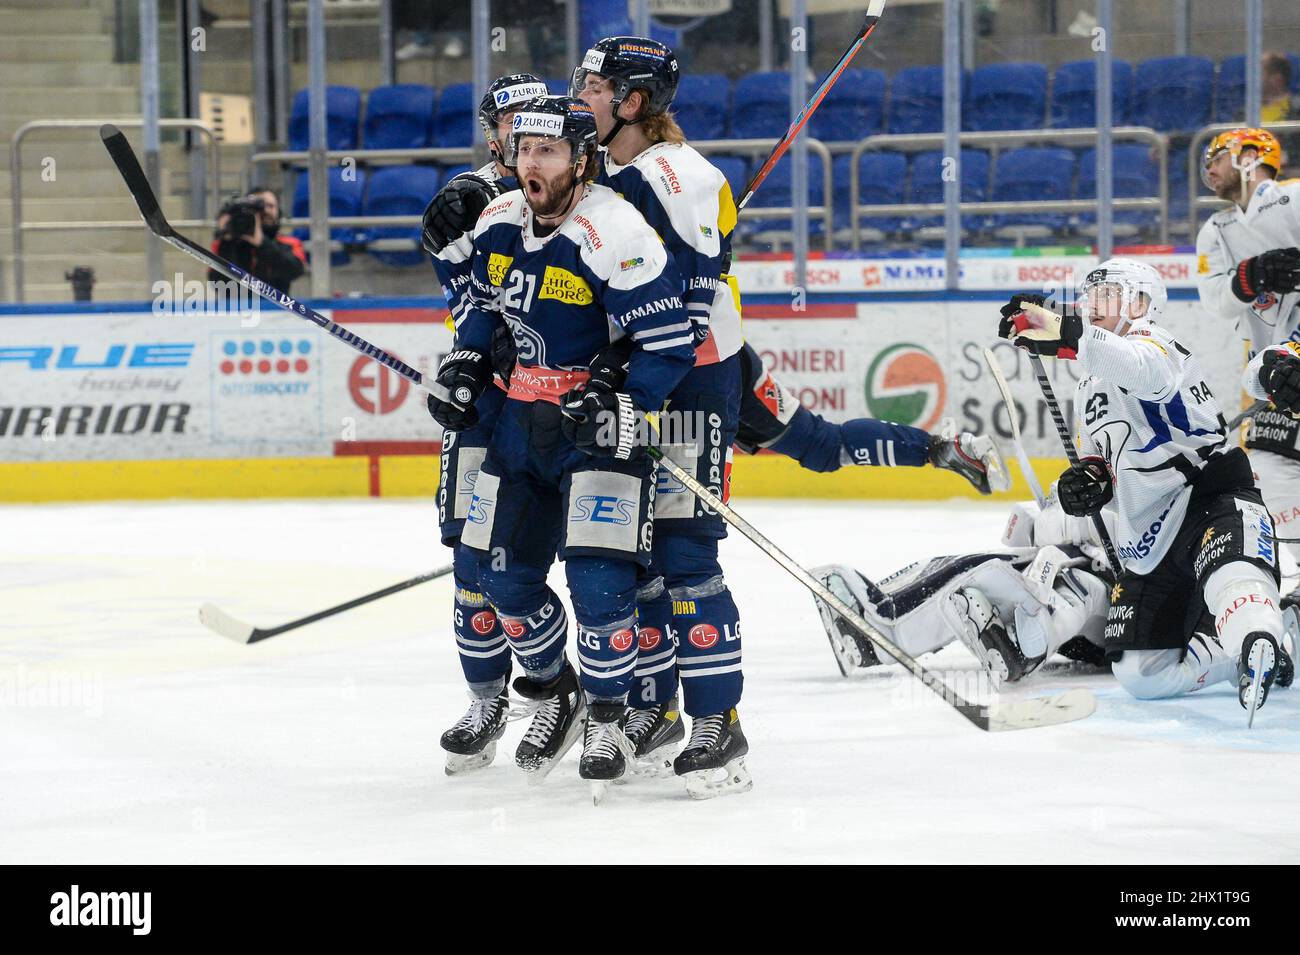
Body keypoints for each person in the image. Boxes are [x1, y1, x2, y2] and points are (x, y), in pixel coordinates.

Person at [573, 36, 1009, 794]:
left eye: (591, 86)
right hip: (686, 370)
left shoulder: (677, 174)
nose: (577, 95)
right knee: (777, 462)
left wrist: (640, 367)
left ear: (632, 101)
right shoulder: (627, 171)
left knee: (684, 552)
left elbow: (690, 300)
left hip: (697, 379)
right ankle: (655, 705)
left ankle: (718, 722)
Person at [427, 95, 696, 795]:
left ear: (582, 160)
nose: (529, 164)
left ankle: (608, 718)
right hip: (521, 429)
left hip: (596, 435)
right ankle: (557, 692)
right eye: (522, 150)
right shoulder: (499, 222)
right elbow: (485, 312)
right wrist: (465, 363)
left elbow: (669, 344)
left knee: (600, 585)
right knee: (503, 581)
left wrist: (626, 405)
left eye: (545, 152)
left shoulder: (614, 230)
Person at [1001, 258, 1289, 722]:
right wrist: (1089, 483)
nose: (1092, 306)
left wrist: (1066, 331)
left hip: (1206, 497)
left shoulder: (1155, 344)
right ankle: (1240, 646)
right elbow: (1101, 459)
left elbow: (1141, 370)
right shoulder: (1089, 382)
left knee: (1230, 576)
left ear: (1139, 303)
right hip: (1148, 530)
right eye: (1088, 298)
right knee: (1143, 675)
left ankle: (1258, 631)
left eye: (1106, 296)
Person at [421, 73, 547, 776]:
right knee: (471, 563)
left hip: (557, 397)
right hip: (486, 396)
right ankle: (487, 699)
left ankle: (586, 691)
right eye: (510, 122)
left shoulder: (580, 183)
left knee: (591, 554)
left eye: (535, 119)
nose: (521, 134)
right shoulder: (466, 197)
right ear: (491, 131)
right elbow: (463, 293)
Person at [810, 496, 1113, 684]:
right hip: (1084, 566)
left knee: (1082, 587)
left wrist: (1073, 524)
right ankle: (878, 636)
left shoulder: (1146, 474)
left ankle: (1027, 648)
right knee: (977, 568)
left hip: (1121, 614)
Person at [1195, 128, 1300, 610]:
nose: (1208, 168)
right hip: (1275, 379)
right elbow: (1216, 300)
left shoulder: (1295, 199)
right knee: (1272, 485)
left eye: (1216, 157)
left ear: (1251, 156)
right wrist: (1251, 274)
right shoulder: (1216, 231)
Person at [208, 187, 305, 293]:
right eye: (260, 208)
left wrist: (262, 242)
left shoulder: (289, 243)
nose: (266, 211)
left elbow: (294, 271)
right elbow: (218, 284)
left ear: (278, 211)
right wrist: (226, 240)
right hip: (236, 308)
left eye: (270, 206)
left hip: (275, 308)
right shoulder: (226, 243)